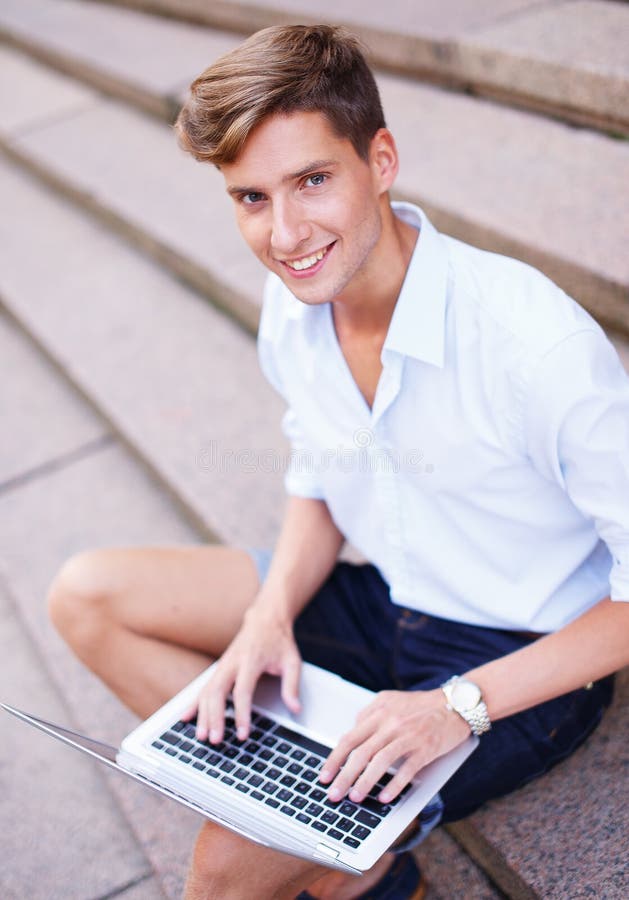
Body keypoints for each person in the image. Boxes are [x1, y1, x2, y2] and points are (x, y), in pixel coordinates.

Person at [47, 24, 629, 900]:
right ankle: (337, 842)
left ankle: (327, 845)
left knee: (222, 871)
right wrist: (268, 615)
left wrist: (455, 706)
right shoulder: (294, 306)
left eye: (311, 181)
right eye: (251, 198)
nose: (284, 234)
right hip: (385, 600)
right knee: (87, 597)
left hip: (519, 659)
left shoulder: (532, 344)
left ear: (380, 161)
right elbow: (318, 474)